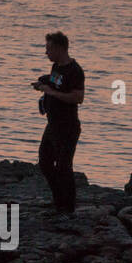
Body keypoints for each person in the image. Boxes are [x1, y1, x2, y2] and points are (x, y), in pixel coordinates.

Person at [33, 31, 85, 215]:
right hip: (52, 124)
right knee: (45, 163)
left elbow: (78, 97)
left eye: (48, 49)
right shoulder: (56, 67)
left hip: (67, 126)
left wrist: (51, 92)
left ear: (59, 48)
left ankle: (67, 207)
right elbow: (56, 83)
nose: (46, 53)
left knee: (64, 166)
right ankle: (58, 201)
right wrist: (43, 83)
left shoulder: (75, 70)